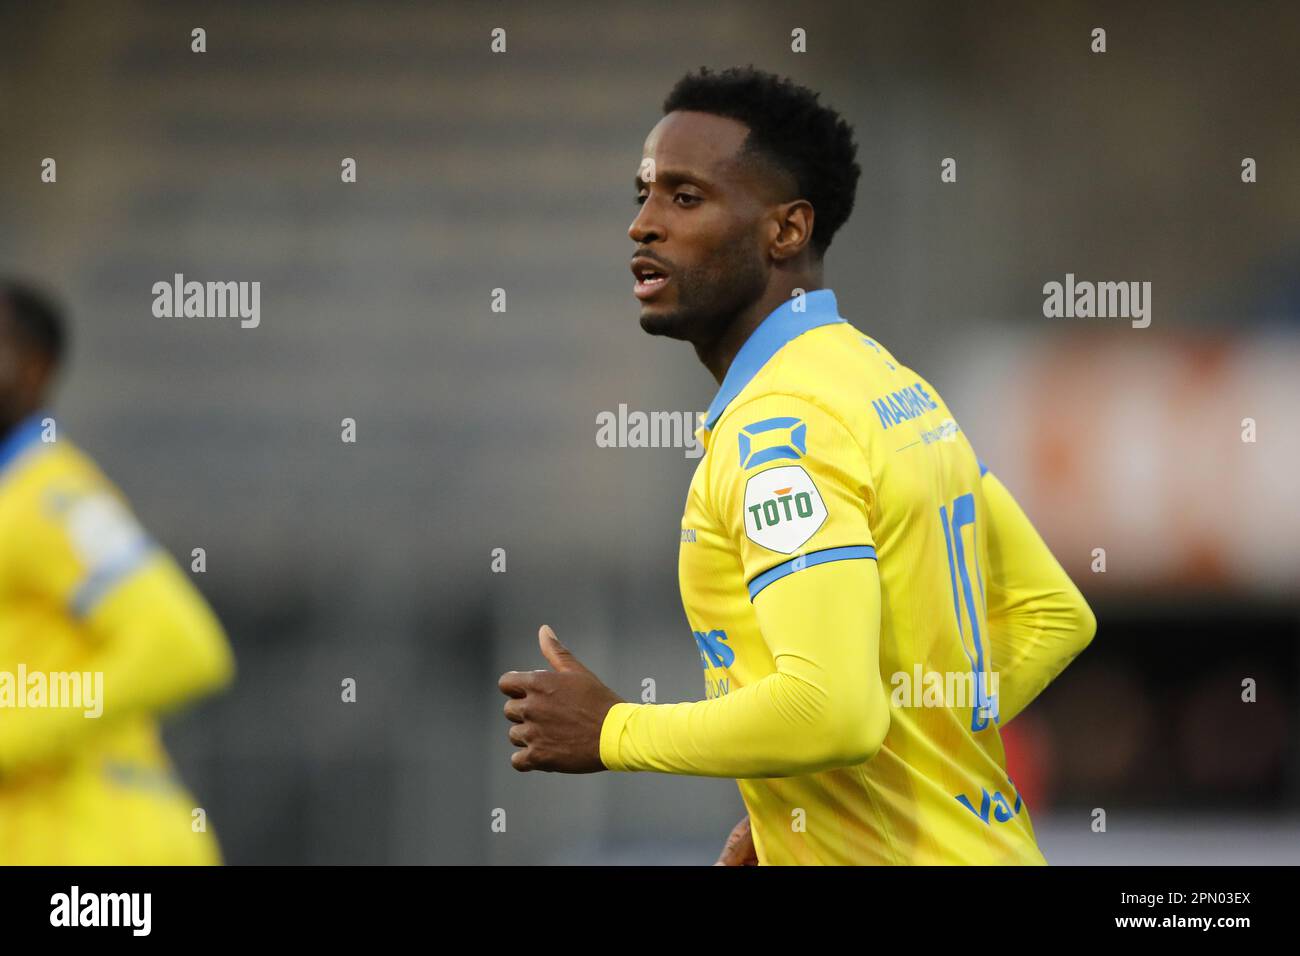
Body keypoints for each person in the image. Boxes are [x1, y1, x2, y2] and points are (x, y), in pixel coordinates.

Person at [498, 67, 1095, 865]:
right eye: (642, 195)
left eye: (685, 198)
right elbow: (1052, 615)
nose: (643, 225)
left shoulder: (784, 426)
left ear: (786, 231)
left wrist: (613, 730)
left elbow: (831, 712)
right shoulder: (889, 386)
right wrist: (819, 797)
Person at [0, 280, 235, 864]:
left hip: (102, 848)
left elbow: (182, 647)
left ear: (34, 369)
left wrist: (14, 731)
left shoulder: (52, 498)